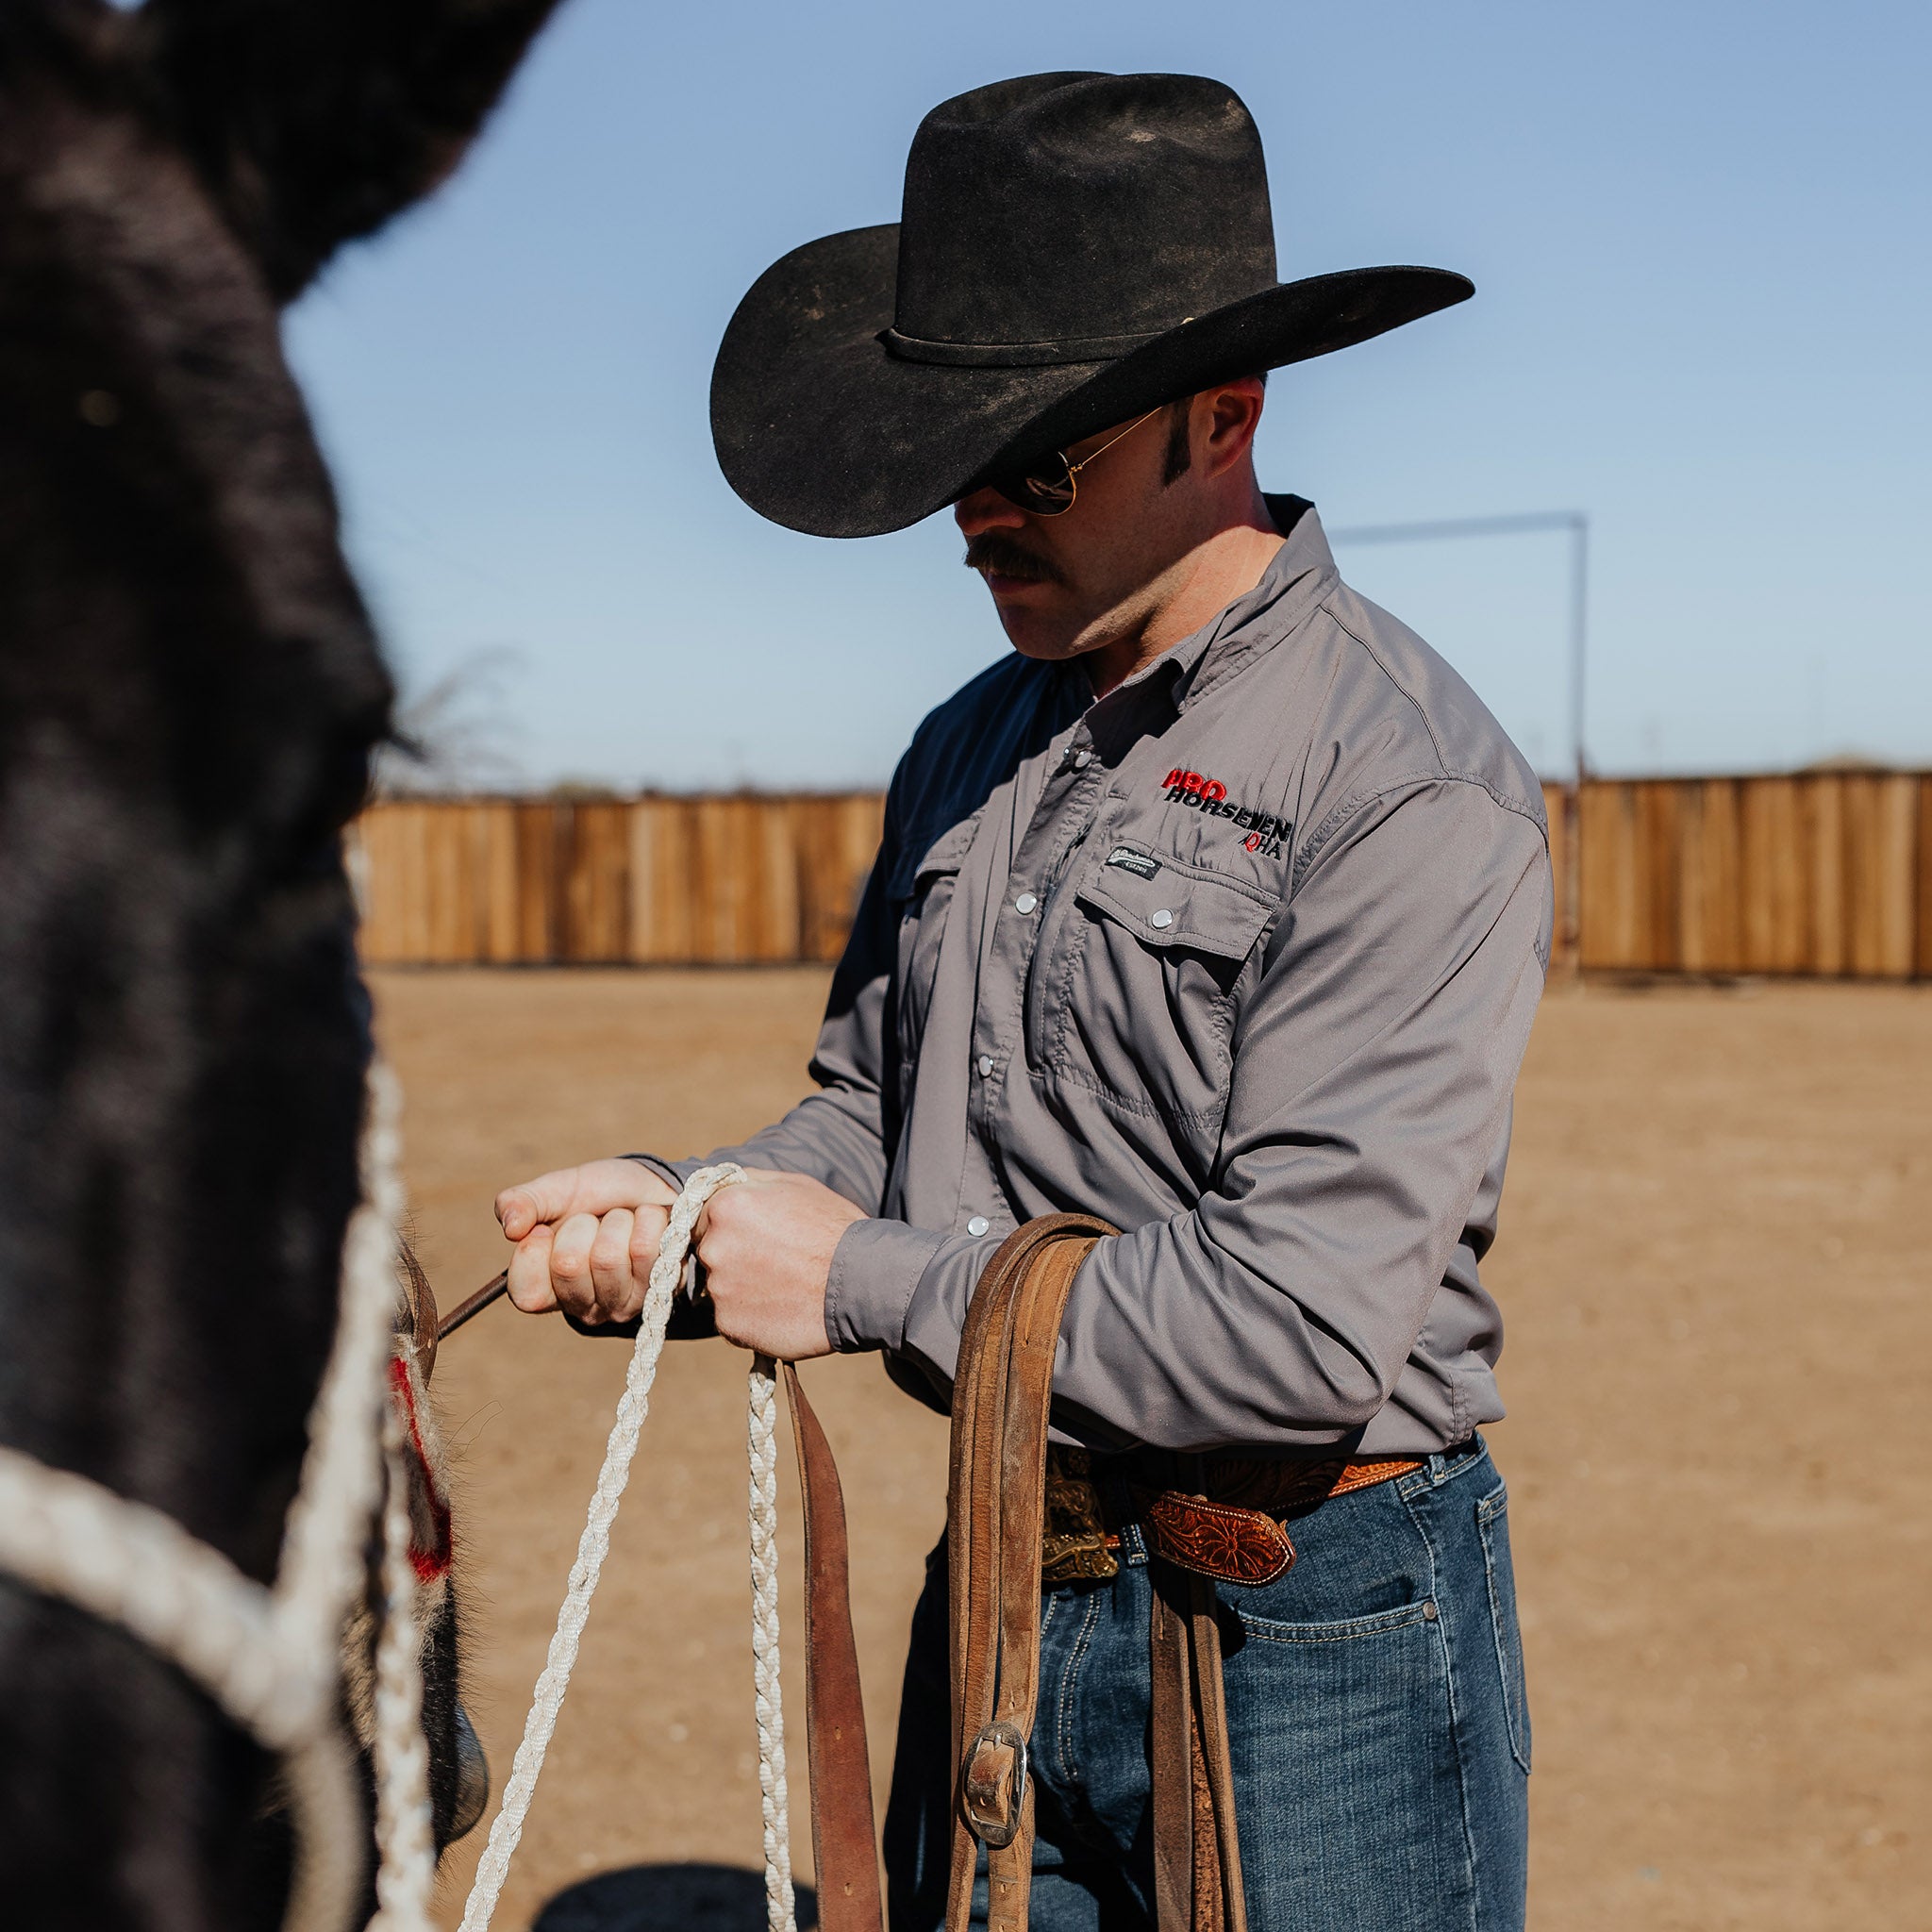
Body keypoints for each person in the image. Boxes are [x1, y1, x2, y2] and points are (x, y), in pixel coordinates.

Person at [494, 72, 1549, 1932]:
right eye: (954, 450)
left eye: (1038, 450)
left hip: (1305, 1616)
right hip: (998, 1576)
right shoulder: (964, 744)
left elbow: (1291, 1329)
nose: (974, 506)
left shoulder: (1400, 780)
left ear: (1222, 416)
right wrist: (693, 1203)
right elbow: (867, 1113)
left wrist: (850, 1279)